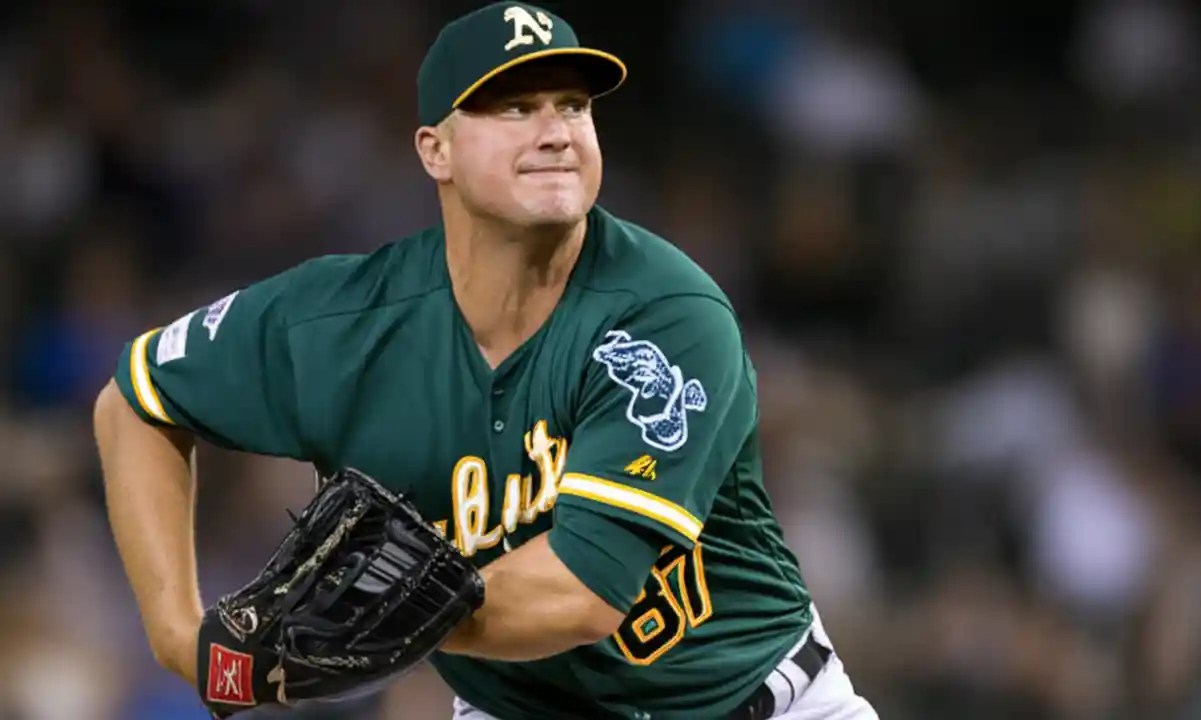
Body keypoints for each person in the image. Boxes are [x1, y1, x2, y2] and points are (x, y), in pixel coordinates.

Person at [92, 2, 880, 718]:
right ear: (435, 149)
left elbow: (579, 596)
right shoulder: (341, 322)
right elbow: (134, 400)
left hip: (759, 702)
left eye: (572, 106)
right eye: (514, 107)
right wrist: (176, 634)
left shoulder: (664, 312)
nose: (555, 130)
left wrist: (371, 625)